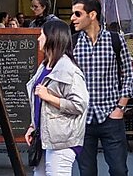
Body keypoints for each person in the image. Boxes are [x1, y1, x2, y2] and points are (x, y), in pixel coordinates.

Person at [69, 0, 133, 176]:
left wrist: (120, 108)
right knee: (87, 171)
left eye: (77, 14)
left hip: (110, 115)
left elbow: (128, 74)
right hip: (82, 118)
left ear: (92, 15)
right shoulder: (72, 42)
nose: (73, 18)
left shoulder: (115, 40)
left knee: (119, 170)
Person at [25, 18, 89, 176]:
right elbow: (39, 104)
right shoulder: (45, 66)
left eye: (42, 35)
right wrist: (33, 126)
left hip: (62, 140)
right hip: (44, 137)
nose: (38, 39)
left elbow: (79, 105)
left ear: (52, 38)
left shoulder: (69, 70)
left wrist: (49, 97)